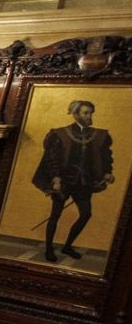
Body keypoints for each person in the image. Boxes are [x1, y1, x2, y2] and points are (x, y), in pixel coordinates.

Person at [31, 99, 115, 262]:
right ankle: (49, 249)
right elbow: (52, 159)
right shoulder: (60, 134)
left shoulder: (99, 136)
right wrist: (55, 179)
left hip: (84, 183)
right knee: (55, 215)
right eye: (85, 113)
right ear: (76, 114)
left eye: (91, 113)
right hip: (63, 182)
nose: (89, 116)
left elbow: (105, 156)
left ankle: (67, 246)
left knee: (86, 214)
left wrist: (107, 172)